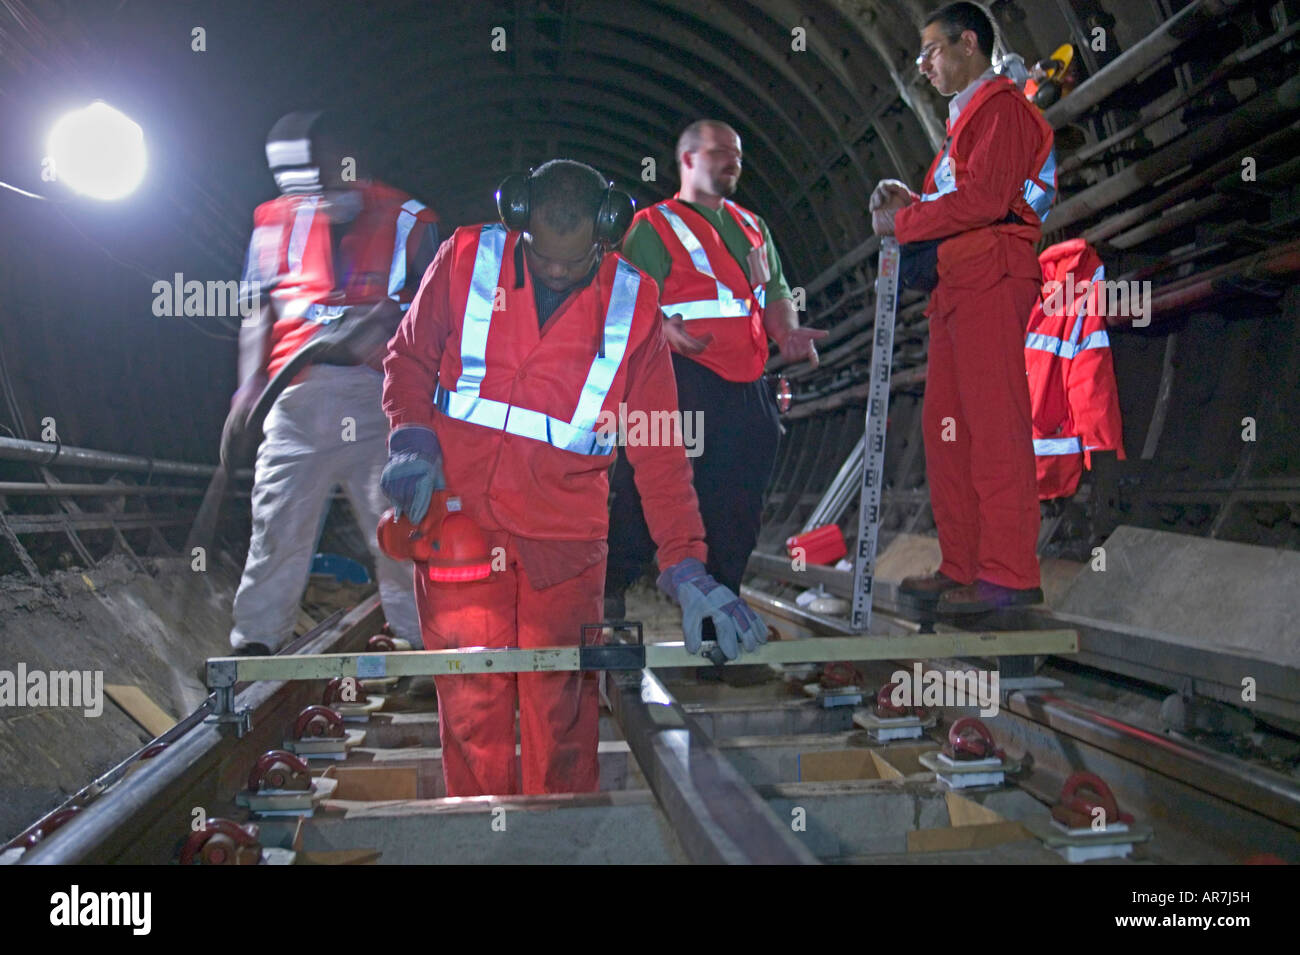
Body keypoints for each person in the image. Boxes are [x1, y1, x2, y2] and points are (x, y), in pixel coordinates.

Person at [380, 160, 767, 796]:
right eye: (543, 259)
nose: (557, 272)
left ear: (608, 233)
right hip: (460, 526)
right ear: (519, 220)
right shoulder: (467, 258)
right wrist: (411, 438)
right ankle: (482, 836)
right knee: (472, 704)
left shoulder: (636, 303)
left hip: (564, 544)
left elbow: (659, 448)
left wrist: (688, 566)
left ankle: (556, 841)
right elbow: (410, 358)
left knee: (560, 712)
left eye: (574, 262)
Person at [870, 2, 1057, 613]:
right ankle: (964, 566)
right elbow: (955, 198)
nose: (922, 64)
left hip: (991, 280)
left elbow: (983, 200)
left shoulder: (1003, 110)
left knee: (993, 428)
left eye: (931, 50)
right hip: (956, 288)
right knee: (946, 431)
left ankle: (1008, 575)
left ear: (968, 43)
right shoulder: (962, 127)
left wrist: (908, 219)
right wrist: (914, 203)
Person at [227, 111, 437, 655]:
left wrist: (372, 329)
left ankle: (419, 640)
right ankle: (256, 645)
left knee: (398, 527)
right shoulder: (273, 219)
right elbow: (258, 307)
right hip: (294, 397)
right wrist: (249, 388)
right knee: (277, 525)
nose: (318, 183)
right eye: (305, 174)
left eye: (327, 167)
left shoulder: (410, 219)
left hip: (377, 399)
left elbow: (431, 307)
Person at [604, 120, 828, 616]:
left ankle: (718, 617)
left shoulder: (753, 225)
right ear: (687, 159)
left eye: (739, 155)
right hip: (679, 379)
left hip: (747, 385)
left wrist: (786, 332)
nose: (734, 162)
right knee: (648, 491)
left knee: (737, 508)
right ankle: (609, 592)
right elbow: (629, 302)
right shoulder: (653, 225)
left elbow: (774, 292)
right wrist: (662, 329)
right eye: (721, 152)